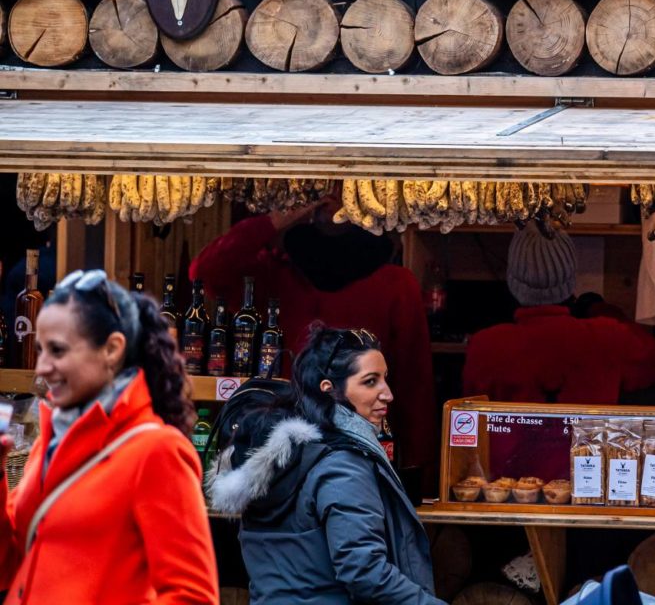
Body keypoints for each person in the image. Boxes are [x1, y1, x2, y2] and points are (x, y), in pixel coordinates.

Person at [0, 269, 218, 603]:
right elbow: (10, 563)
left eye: (57, 351)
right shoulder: (50, 441)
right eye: (41, 350)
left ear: (112, 349)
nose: (41, 367)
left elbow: (193, 596)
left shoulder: (157, 451)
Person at [191, 198, 436, 471]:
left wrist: (415, 472)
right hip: (279, 445)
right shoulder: (275, 273)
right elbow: (203, 273)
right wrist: (275, 220)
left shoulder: (396, 284)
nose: (331, 197)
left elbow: (414, 386)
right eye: (323, 188)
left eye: (341, 188)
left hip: (362, 450)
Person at [209, 325, 445, 605]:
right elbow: (364, 571)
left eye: (385, 378)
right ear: (329, 390)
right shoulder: (343, 465)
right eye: (370, 381)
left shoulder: (289, 456)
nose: (388, 394)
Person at [462, 225, 655, 404]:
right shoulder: (608, 336)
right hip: (588, 440)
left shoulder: (485, 346)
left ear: (513, 281)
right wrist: (599, 308)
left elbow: (471, 419)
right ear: (570, 280)